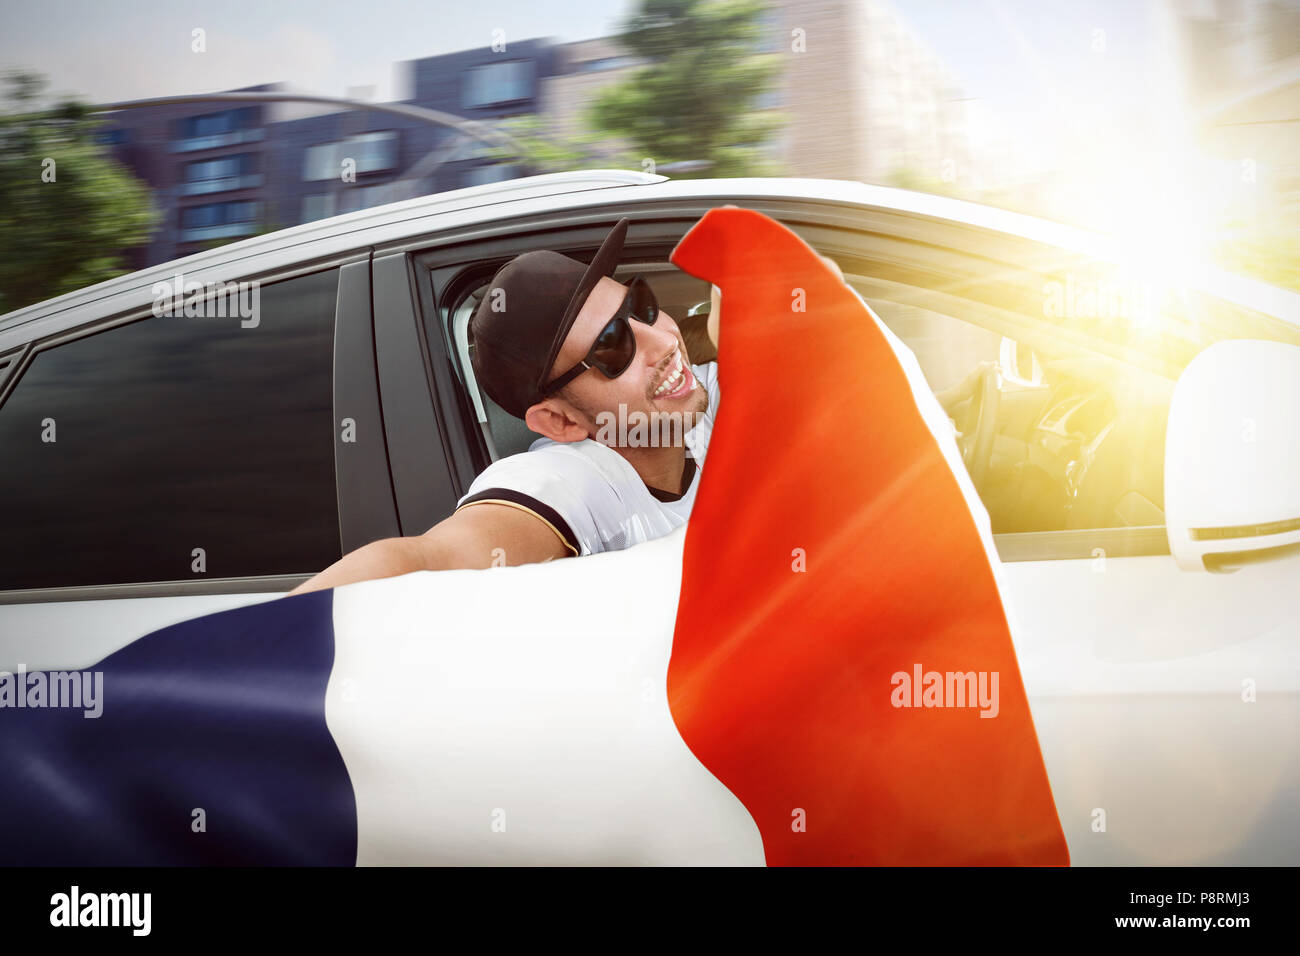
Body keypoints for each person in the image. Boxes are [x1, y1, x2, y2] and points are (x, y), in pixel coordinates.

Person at [291, 216, 717, 594]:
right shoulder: (579, 482)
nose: (662, 341)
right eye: (611, 346)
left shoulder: (701, 398)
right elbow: (430, 560)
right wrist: (264, 641)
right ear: (560, 421)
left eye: (640, 306)